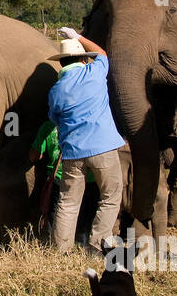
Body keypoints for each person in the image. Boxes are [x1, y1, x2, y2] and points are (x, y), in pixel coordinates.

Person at [45, 29, 125, 257]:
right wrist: (78, 36)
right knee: (110, 197)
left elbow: (55, 119)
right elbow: (102, 54)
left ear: (61, 64)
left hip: (71, 152)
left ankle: (61, 251)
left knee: (68, 202)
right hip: (104, 148)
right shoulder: (94, 73)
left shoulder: (56, 90)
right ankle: (97, 246)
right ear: (83, 59)